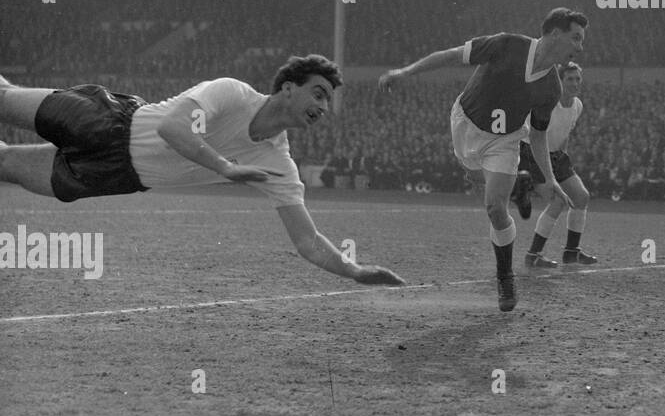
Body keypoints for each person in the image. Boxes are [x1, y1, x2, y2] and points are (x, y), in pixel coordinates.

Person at [0, 56, 404, 286]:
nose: (324, 106)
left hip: (113, 176)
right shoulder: (231, 92)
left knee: (5, 166)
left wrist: (354, 270)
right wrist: (225, 167)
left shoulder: (279, 165)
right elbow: (172, 127)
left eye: (328, 101)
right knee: (5, 98)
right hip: (104, 121)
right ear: (288, 88)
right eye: (319, 93)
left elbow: (308, 240)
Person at [379, 8, 587, 312]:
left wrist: (550, 177)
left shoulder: (551, 88)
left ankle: (505, 277)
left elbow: (539, 135)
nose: (580, 46)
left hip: (506, 140)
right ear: (555, 33)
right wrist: (405, 72)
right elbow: (452, 55)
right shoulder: (507, 45)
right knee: (481, 189)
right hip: (465, 124)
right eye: (576, 37)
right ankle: (517, 188)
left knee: (494, 207)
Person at [515, 62, 598, 268]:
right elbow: (535, 136)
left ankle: (571, 252)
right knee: (558, 201)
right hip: (533, 154)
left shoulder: (577, 105)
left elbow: (565, 134)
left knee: (581, 196)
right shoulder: (549, 104)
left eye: (578, 79)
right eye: (569, 79)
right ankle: (533, 254)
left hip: (556, 155)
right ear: (560, 81)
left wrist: (564, 160)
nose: (575, 83)